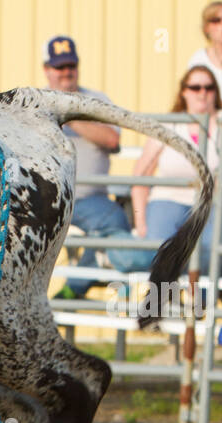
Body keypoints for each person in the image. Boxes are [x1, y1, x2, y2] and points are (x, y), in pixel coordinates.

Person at [131, 66, 222, 300]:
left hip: (219, 202)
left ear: (216, 92)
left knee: (215, 250)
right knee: (157, 247)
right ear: (183, 92)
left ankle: (198, 299)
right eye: (195, 87)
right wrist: (141, 222)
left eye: (209, 87)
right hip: (169, 198)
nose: (202, 93)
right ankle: (171, 302)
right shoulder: (168, 125)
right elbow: (140, 176)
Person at [41, 36, 151, 298]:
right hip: (48, 198)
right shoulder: (35, 101)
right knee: (114, 224)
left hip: (91, 198)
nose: (66, 72)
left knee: (113, 219)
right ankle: (118, 271)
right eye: (59, 67)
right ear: (47, 70)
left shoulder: (95, 99)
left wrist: (70, 114)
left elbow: (113, 140)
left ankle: (78, 286)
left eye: (71, 65)